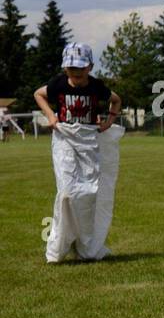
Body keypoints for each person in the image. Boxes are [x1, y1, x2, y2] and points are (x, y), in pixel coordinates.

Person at [34, 42, 124, 263]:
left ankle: (86, 246)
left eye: (80, 69)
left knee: (88, 192)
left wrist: (109, 121)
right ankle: (58, 247)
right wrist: (51, 117)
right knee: (66, 192)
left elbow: (116, 100)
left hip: (88, 140)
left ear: (90, 67)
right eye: (72, 69)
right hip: (65, 139)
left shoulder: (96, 86)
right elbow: (38, 94)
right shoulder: (59, 84)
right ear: (65, 68)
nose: (76, 73)